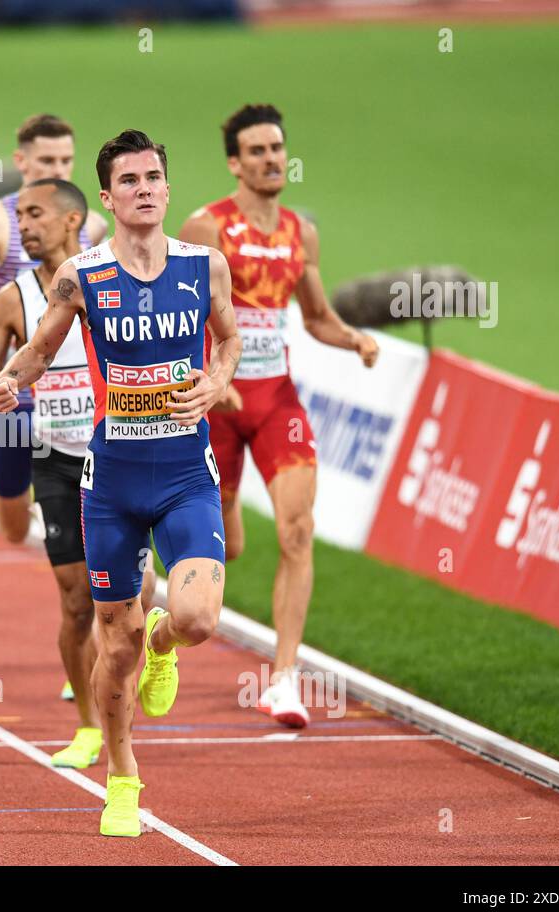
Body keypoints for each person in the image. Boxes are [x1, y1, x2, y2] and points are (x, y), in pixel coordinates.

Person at [0, 130, 242, 838]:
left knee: (194, 620)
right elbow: (39, 350)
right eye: (128, 180)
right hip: (113, 483)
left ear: (166, 186)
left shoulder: (204, 267)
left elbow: (230, 341)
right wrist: (10, 383)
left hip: (187, 474)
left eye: (153, 176)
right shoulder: (82, 274)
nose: (144, 189)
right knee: (113, 642)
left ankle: (165, 646)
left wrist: (215, 386)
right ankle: (123, 777)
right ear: (107, 197)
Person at [177, 104, 379, 728]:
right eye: (257, 150)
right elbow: (179, 312)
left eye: (276, 148)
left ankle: (283, 680)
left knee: (297, 531)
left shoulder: (301, 232)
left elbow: (315, 316)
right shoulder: (207, 226)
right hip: (218, 403)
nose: (270, 158)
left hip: (276, 403)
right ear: (235, 163)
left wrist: (354, 339)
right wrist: (212, 379)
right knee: (229, 548)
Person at [0, 178, 107, 767]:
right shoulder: (11, 299)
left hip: (116, 454)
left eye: (37, 214)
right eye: (20, 214)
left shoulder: (110, 281)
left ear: (74, 221)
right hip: (54, 461)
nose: (24, 224)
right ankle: (90, 727)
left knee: (135, 595)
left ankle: (153, 654)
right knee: (76, 603)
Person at [0, 114, 107, 549]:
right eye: (47, 159)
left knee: (93, 522)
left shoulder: (88, 226)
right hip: (10, 397)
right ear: (21, 161)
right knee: (14, 526)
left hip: (76, 394)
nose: (58, 169)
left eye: (67, 159)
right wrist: (25, 328)